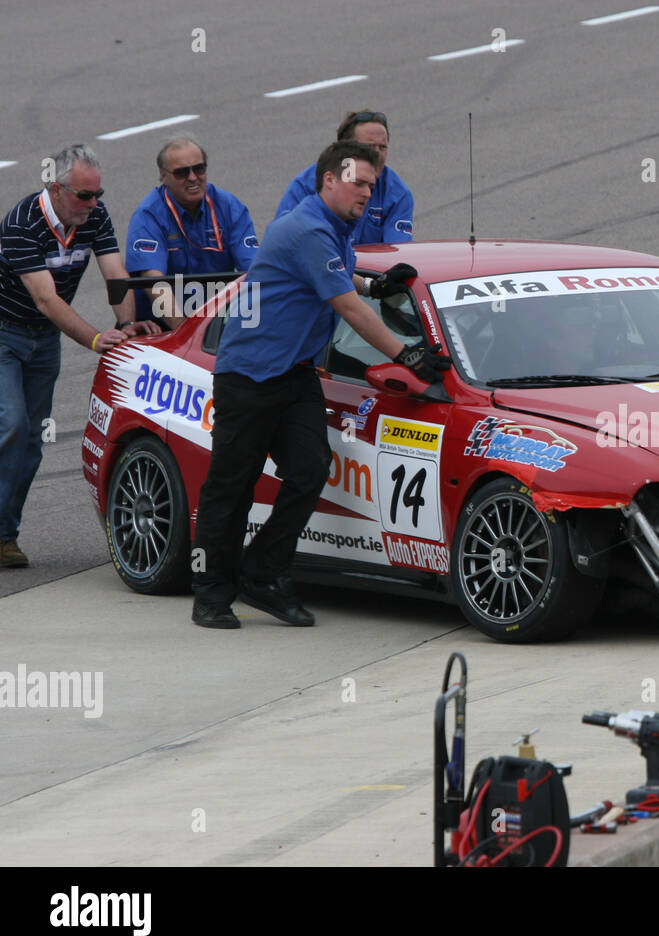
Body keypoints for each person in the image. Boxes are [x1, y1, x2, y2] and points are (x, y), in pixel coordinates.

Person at [190, 141, 448, 629]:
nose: (367, 193)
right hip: (248, 375)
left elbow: (339, 280)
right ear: (329, 179)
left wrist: (376, 287)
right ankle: (210, 593)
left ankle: (262, 574)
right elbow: (346, 307)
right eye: (358, 182)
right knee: (231, 487)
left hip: (295, 374)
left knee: (310, 471)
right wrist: (406, 354)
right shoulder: (307, 228)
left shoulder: (333, 227)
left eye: (373, 184)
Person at [0, 145, 158, 569]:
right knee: (10, 424)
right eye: (84, 196)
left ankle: (4, 535)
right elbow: (47, 300)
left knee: (32, 440)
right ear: (55, 189)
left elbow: (116, 275)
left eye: (98, 195)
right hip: (4, 334)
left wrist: (125, 325)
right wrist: (95, 339)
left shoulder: (94, 217)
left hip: (43, 342)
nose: (93, 204)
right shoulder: (21, 224)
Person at [125, 133, 260, 324]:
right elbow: (155, 282)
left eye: (199, 169)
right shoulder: (149, 215)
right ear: (163, 176)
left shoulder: (230, 208)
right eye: (182, 172)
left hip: (217, 323)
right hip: (163, 326)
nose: (193, 178)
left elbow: (253, 272)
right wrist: (184, 335)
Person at [272, 110, 413, 246]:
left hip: (365, 268)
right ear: (345, 148)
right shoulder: (305, 185)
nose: (377, 155)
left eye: (382, 147)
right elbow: (283, 241)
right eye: (369, 147)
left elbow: (398, 254)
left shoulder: (398, 194)